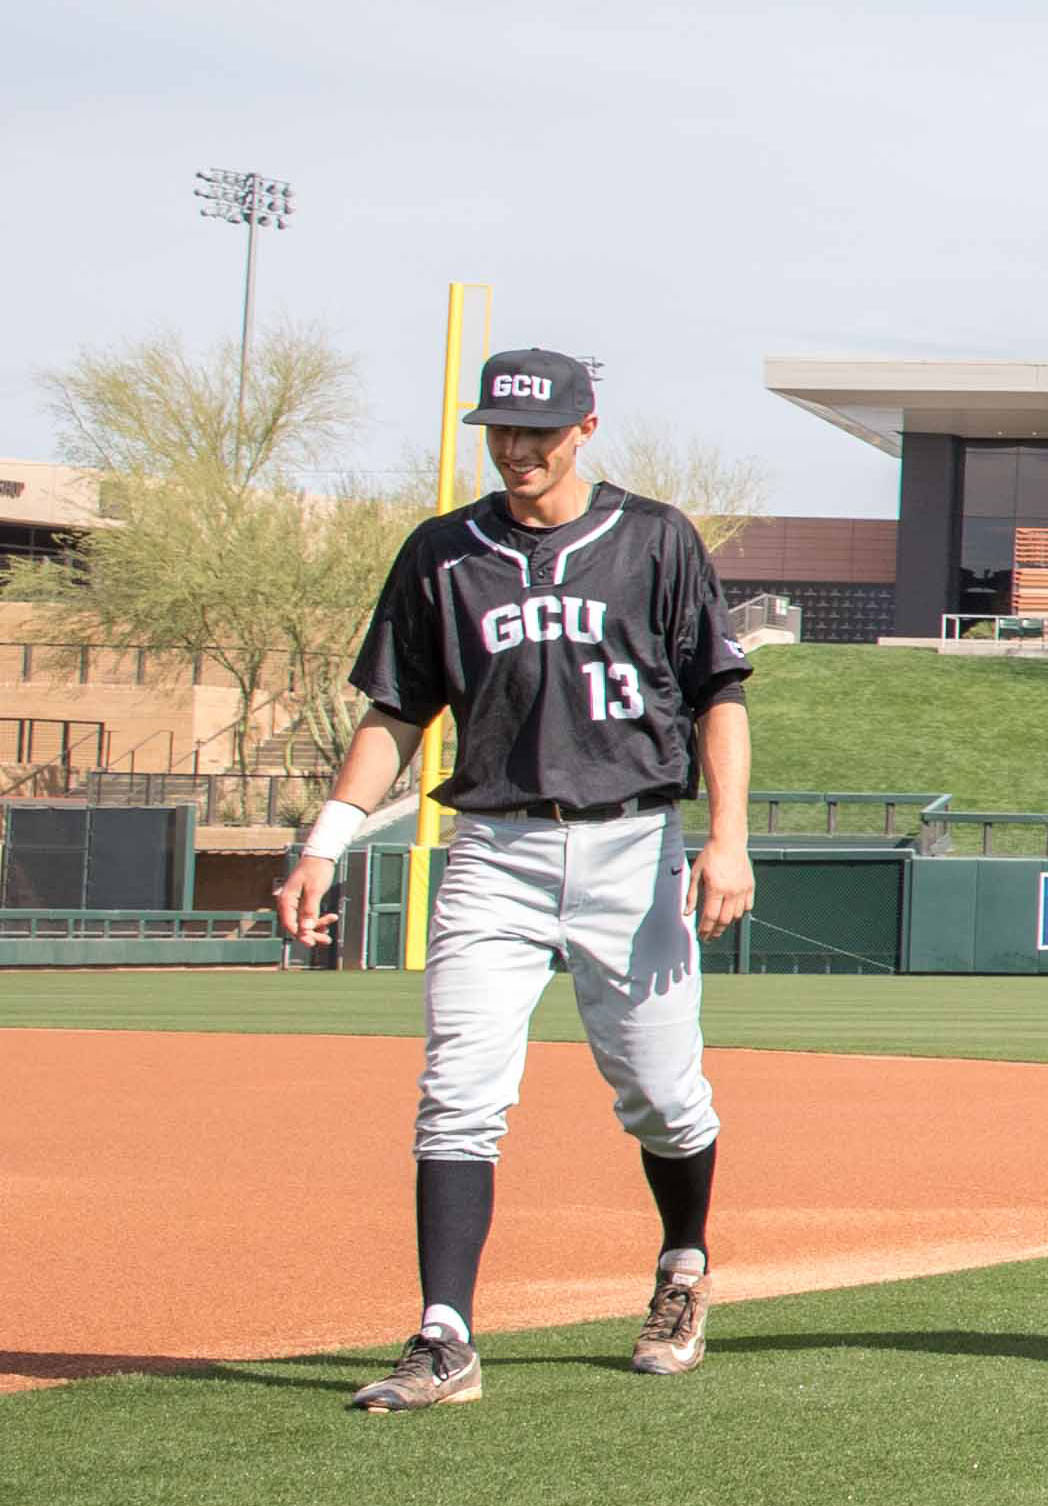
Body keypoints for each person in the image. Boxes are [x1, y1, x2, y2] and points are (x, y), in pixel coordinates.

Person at [278, 348, 760, 1413]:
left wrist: (726, 838)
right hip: (492, 851)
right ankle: (444, 1336)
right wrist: (325, 841)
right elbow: (397, 712)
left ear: (585, 428)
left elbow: (718, 691)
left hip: (635, 847)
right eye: (499, 428)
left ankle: (683, 1263)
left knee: (666, 1100)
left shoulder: (652, 540)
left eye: (537, 430)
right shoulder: (445, 553)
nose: (516, 448)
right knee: (456, 1095)